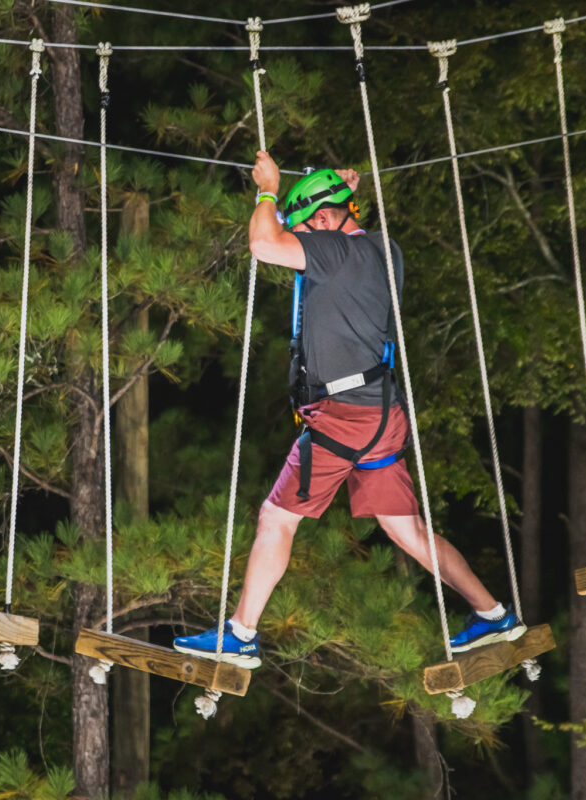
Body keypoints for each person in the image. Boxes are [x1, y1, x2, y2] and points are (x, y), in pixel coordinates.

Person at [173, 151, 524, 668]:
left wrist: (268, 190)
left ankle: (240, 634)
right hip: (382, 412)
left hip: (345, 417)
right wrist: (329, 188)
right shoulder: (385, 250)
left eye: (306, 228)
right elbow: (330, 230)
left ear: (320, 221)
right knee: (406, 531)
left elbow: (262, 243)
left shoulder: (335, 252)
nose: (303, 239)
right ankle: (493, 616)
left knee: (276, 518)